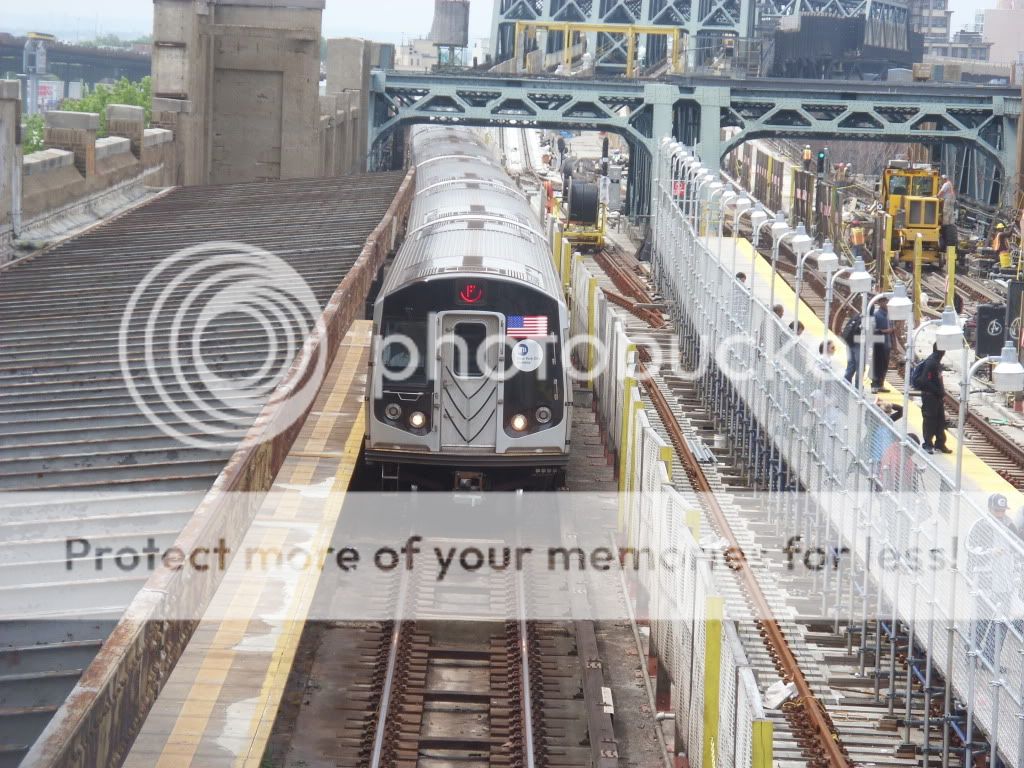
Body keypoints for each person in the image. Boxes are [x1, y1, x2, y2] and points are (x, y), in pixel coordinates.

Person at [918, 344, 951, 454]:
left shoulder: (936, 362)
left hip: (936, 397)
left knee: (940, 420)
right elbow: (924, 380)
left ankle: (940, 443)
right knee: (930, 420)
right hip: (929, 396)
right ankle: (927, 444)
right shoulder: (931, 362)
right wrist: (937, 390)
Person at [871, 297, 894, 393]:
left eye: (887, 301)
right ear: (880, 303)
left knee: (885, 365)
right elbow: (872, 330)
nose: (886, 303)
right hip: (878, 344)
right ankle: (874, 385)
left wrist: (894, 345)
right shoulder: (876, 314)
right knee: (877, 364)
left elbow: (892, 331)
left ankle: (881, 384)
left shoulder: (889, 315)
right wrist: (884, 331)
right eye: (884, 301)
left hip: (887, 344)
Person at [842, 313, 863, 386]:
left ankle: (846, 383)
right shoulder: (867, 319)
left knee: (851, 365)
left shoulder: (856, 315)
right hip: (858, 344)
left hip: (849, 342)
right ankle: (858, 387)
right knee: (860, 367)